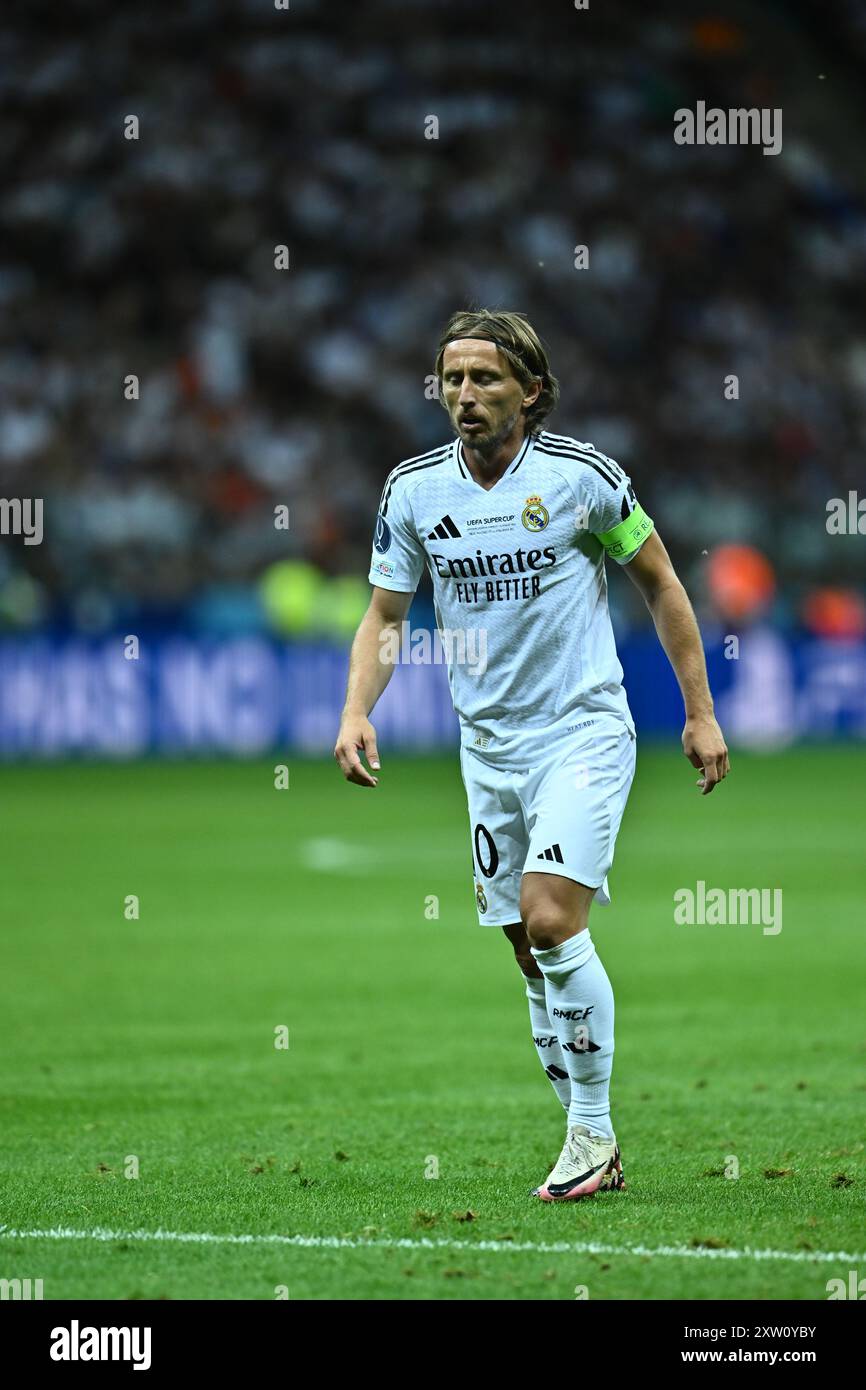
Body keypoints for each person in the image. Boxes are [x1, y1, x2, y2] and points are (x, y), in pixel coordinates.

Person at [334, 308, 729, 1200]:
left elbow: (662, 583)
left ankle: (593, 1134)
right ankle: (586, 1135)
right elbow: (385, 618)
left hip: (582, 730)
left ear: (531, 391)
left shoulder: (583, 480)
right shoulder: (413, 493)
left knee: (551, 918)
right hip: (488, 752)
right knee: (525, 947)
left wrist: (699, 712)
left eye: (485, 379)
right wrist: (358, 709)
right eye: (452, 379)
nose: (464, 396)